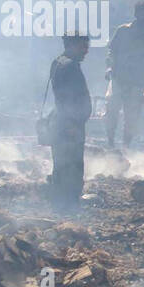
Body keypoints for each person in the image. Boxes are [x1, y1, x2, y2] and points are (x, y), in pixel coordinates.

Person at [104, 1, 144, 149]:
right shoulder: (123, 31)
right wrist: (109, 67)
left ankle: (125, 148)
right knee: (111, 111)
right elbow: (111, 51)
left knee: (132, 118)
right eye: (143, 13)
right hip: (118, 79)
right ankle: (110, 143)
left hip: (137, 82)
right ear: (136, 14)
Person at [48, 32, 92, 210]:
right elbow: (66, 99)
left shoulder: (59, 62)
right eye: (83, 46)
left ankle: (62, 202)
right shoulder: (69, 67)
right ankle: (69, 205)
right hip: (69, 125)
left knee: (62, 163)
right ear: (72, 45)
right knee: (71, 164)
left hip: (63, 123)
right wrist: (72, 124)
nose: (86, 51)